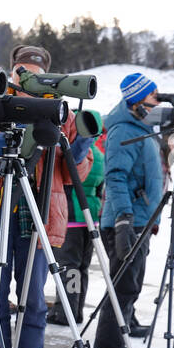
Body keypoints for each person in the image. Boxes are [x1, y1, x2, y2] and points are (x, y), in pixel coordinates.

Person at [0, 44, 91, 348]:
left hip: (39, 212)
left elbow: (74, 175)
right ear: (13, 70)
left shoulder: (61, 110)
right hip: (0, 206)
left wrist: (80, 141)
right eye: (23, 70)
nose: (30, 77)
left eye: (37, 71)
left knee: (35, 296)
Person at [94, 72, 163, 348]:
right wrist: (123, 218)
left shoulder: (140, 126)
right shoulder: (124, 130)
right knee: (124, 284)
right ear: (137, 99)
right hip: (126, 219)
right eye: (154, 96)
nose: (158, 101)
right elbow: (116, 176)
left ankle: (127, 323)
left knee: (131, 280)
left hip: (140, 217)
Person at [47, 119, 105, 325]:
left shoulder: (78, 153)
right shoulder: (98, 154)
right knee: (81, 268)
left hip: (71, 218)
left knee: (68, 268)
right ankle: (76, 309)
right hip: (90, 220)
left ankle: (65, 312)